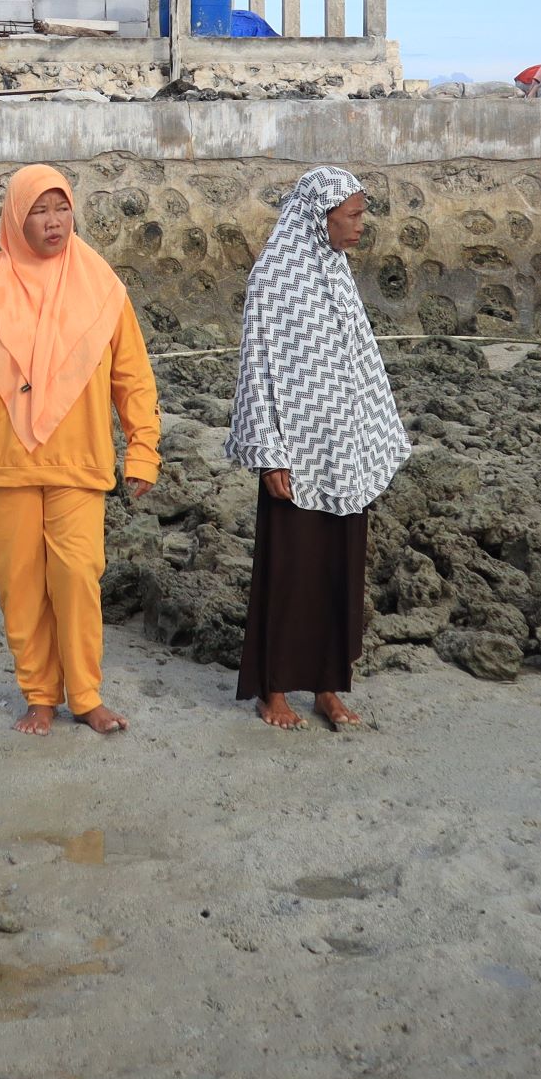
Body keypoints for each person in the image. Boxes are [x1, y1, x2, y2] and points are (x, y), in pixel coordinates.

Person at [0, 165, 160, 737]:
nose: (53, 222)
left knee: (79, 574)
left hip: (79, 459)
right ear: (15, 217)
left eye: (61, 208)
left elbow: (133, 376)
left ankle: (85, 695)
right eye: (39, 210)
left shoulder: (103, 285)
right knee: (21, 585)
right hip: (3, 464)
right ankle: (39, 695)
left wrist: (143, 449)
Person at [226, 166, 413, 731]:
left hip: (344, 449)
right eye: (352, 215)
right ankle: (274, 689)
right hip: (294, 454)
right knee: (290, 570)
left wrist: (370, 433)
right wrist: (269, 451)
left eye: (360, 214)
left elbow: (359, 360)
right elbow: (256, 368)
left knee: (340, 568)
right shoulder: (273, 278)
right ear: (320, 214)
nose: (360, 225)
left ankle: (328, 687)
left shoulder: (336, 272)